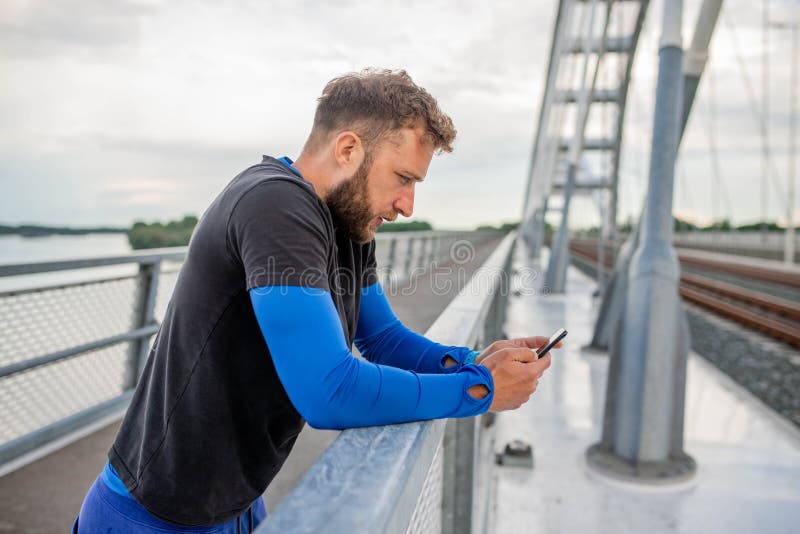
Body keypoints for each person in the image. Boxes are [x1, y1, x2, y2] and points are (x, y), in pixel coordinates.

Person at [73, 68, 555, 533]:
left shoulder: (349, 223)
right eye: (404, 178)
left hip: (236, 501)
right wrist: (478, 390)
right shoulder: (274, 206)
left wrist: (474, 362)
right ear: (348, 148)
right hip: (156, 513)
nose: (408, 206)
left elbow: (383, 338)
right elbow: (330, 391)